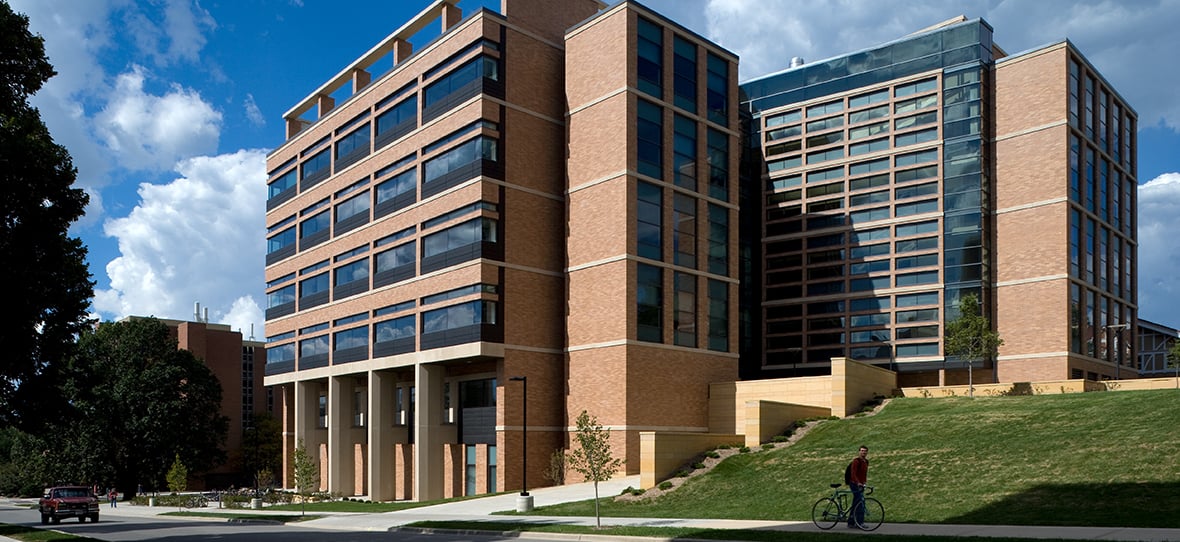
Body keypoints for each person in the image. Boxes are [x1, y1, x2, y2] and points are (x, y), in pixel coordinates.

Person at [846, 445, 869, 528]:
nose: (863, 452)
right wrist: (858, 482)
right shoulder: (856, 461)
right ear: (859, 452)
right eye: (862, 451)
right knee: (860, 502)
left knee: (856, 503)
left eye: (865, 451)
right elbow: (853, 474)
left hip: (860, 484)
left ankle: (851, 522)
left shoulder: (866, 462)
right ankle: (860, 522)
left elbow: (864, 474)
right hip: (854, 483)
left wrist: (864, 483)